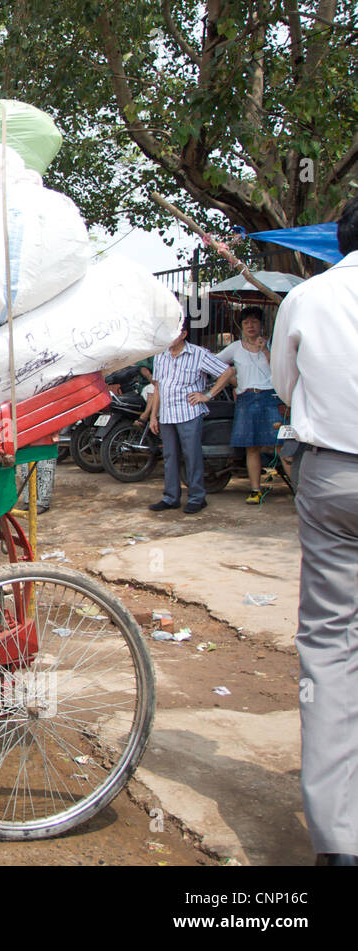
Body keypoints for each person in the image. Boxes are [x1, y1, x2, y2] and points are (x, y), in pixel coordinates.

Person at [270, 196, 358, 866]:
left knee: (331, 649)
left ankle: (339, 840)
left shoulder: (310, 296)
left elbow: (284, 383)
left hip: (333, 479)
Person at [147, 320, 235, 514]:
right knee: (169, 456)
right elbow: (158, 387)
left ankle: (197, 497)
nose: (170, 337)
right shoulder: (161, 356)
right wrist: (154, 416)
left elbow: (227, 371)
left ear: (184, 334)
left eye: (174, 333)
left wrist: (208, 395)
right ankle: (171, 497)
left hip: (189, 413)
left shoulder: (198, 353)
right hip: (167, 414)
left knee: (191, 455)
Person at [217, 308, 282, 503]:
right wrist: (232, 379)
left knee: (281, 445)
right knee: (251, 448)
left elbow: (282, 368)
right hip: (246, 399)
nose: (251, 326)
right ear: (241, 326)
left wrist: (265, 350)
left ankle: (299, 491)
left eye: (254, 322)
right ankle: (255, 490)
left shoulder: (271, 344)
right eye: (246, 323)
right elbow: (214, 363)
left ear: (261, 324)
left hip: (270, 398)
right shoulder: (235, 347)